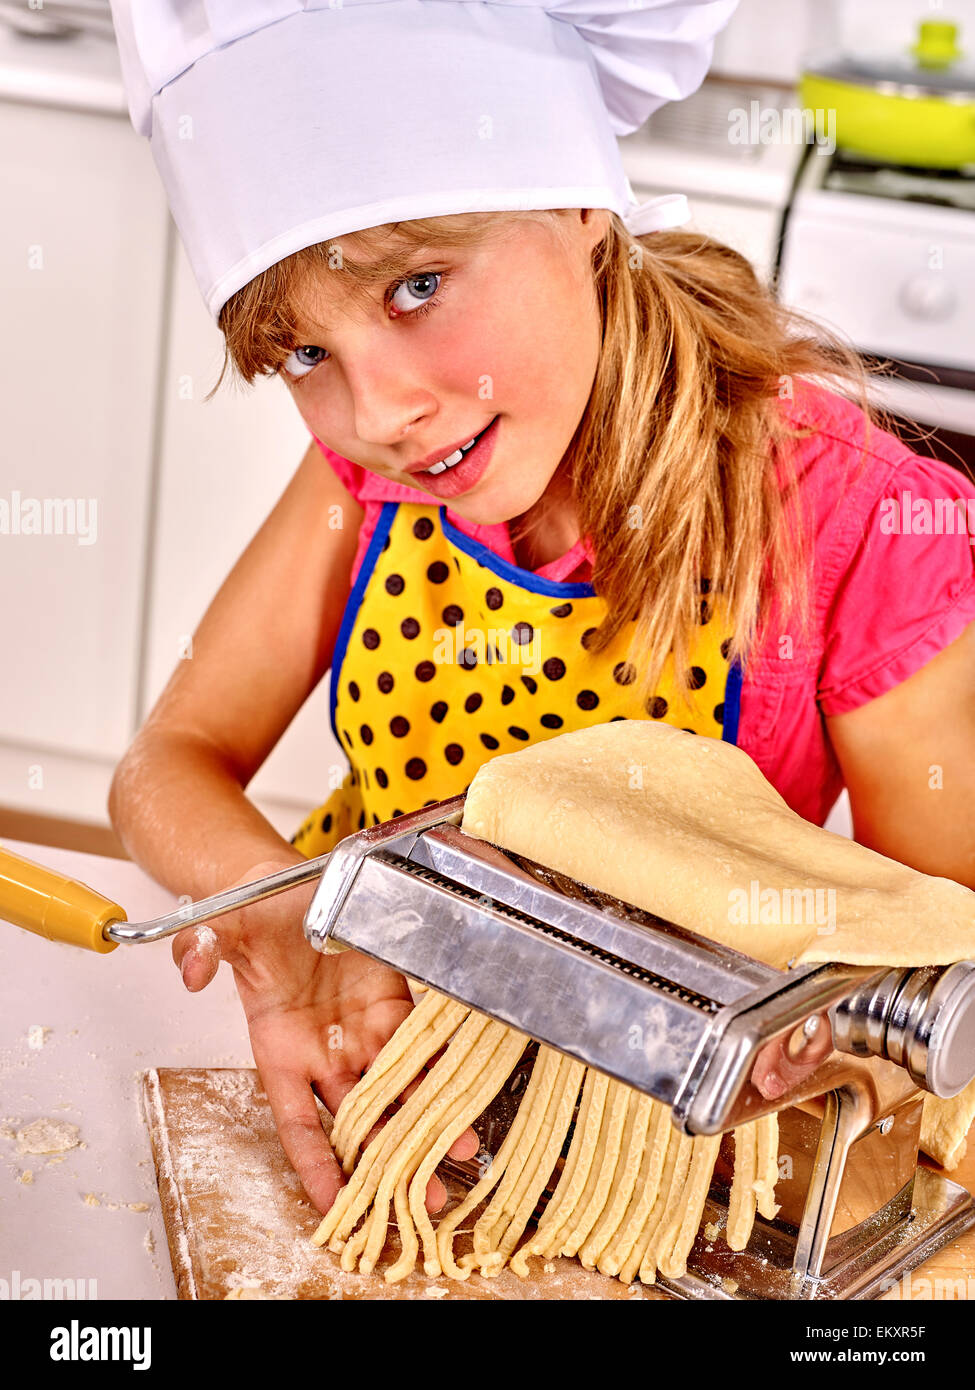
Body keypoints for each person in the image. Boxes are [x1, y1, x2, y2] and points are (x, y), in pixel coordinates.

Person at [106, 0, 975, 1219]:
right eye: (304, 355)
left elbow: (930, 962)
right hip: (378, 1061)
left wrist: (810, 1058)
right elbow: (165, 763)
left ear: (578, 203)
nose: (379, 412)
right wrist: (286, 919)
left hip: (653, 1147)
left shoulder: (851, 520)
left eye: (418, 286)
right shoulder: (369, 480)